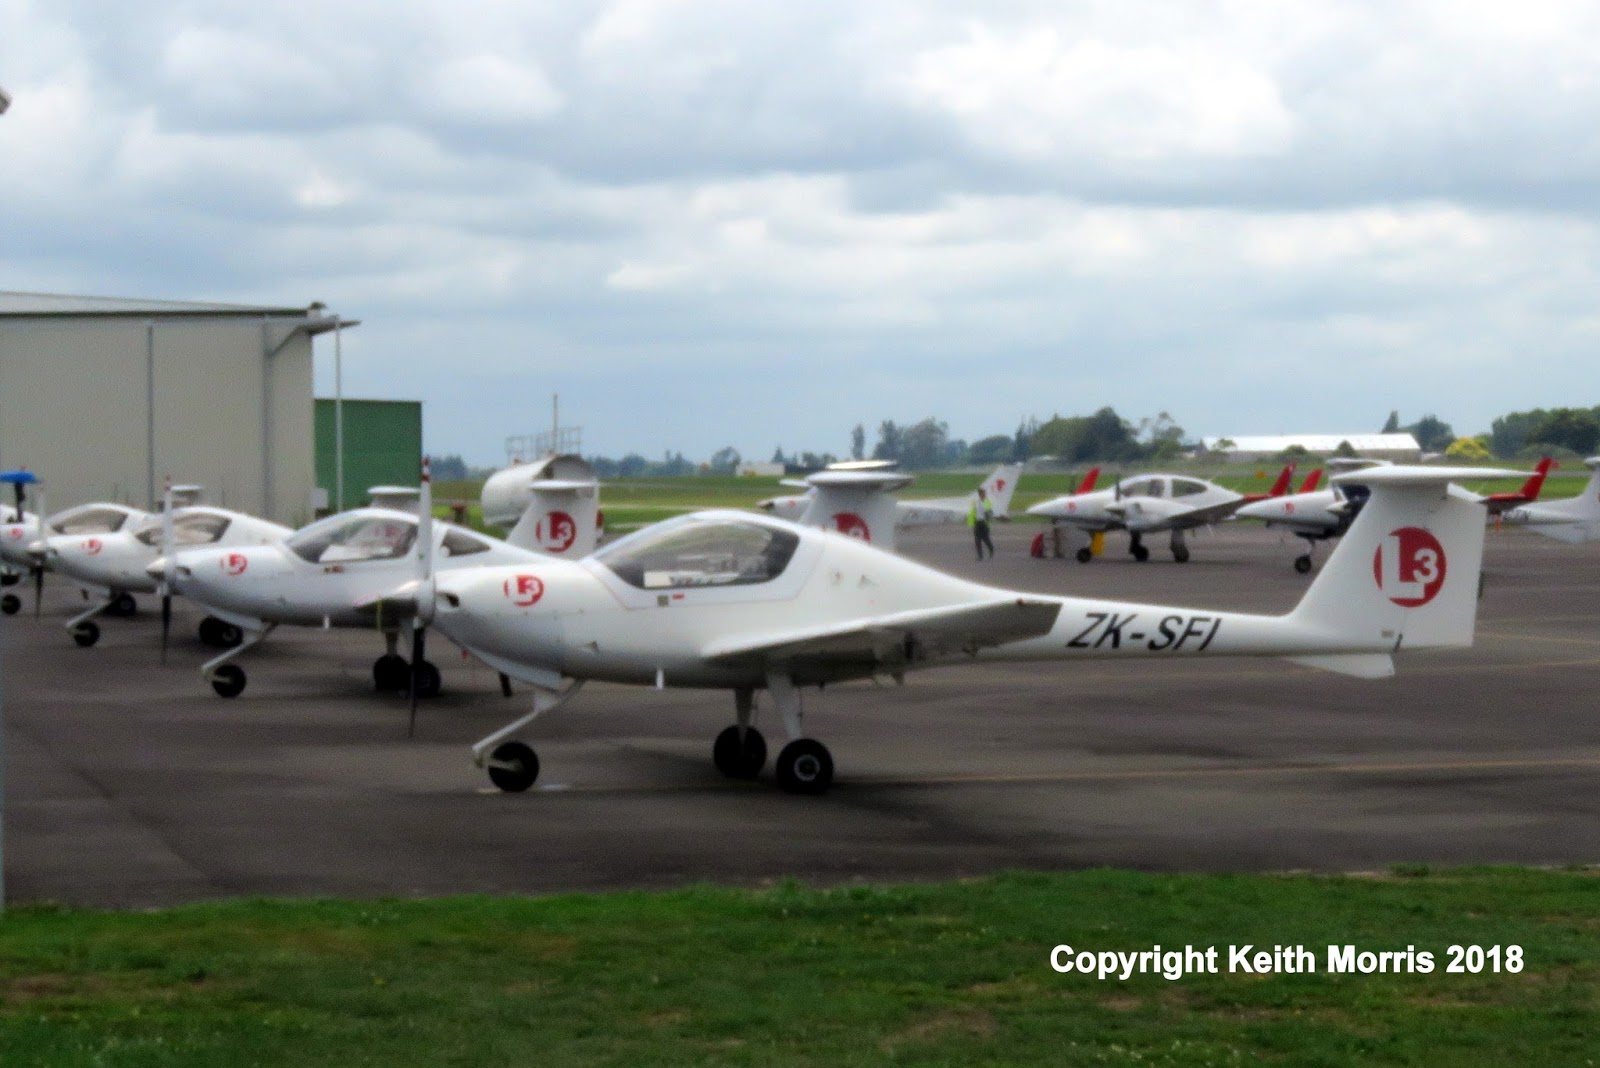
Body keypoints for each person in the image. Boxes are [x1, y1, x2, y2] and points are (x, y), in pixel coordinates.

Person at [968, 487, 995, 560]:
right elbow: (972, 512)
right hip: (977, 522)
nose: (983, 495)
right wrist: (971, 523)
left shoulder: (987, 502)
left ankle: (991, 549)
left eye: (983, 493)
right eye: (981, 493)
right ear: (979, 494)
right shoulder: (975, 502)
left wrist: (989, 522)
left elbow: (990, 513)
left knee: (986, 539)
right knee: (977, 540)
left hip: (984, 523)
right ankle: (980, 556)